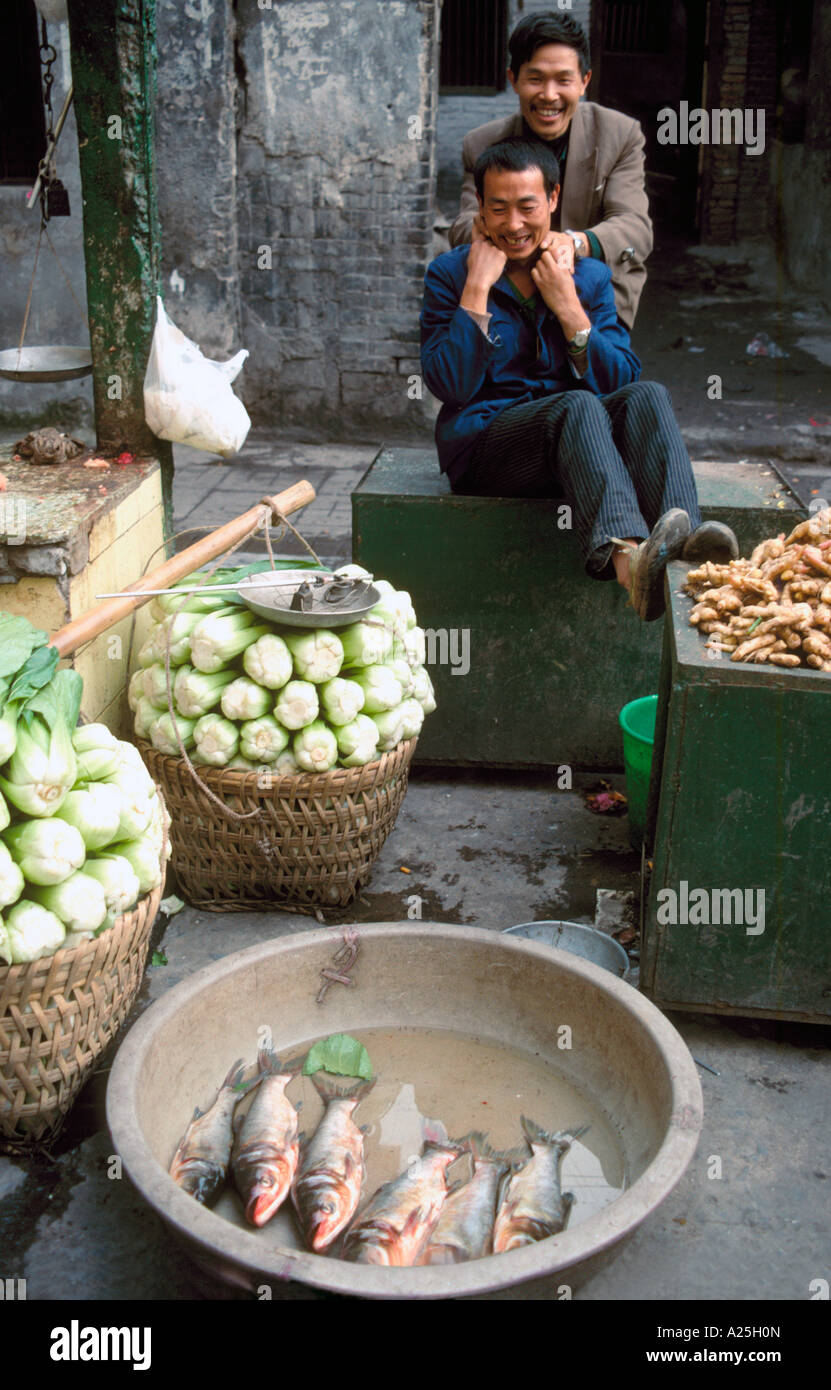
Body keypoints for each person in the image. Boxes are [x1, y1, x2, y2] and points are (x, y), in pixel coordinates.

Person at [421, 139, 737, 622]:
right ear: (480, 211)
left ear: (552, 198)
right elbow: (451, 386)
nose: (514, 224)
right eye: (498, 209)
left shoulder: (586, 275)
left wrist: (569, 307)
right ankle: (631, 567)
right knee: (575, 405)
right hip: (488, 446)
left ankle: (686, 551)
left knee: (647, 394)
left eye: (528, 206)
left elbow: (622, 379)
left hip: (575, 441)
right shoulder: (449, 275)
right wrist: (477, 289)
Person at [448, 11, 652, 329]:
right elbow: (461, 227)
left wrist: (575, 242)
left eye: (563, 79)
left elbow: (635, 227)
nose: (549, 95)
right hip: (510, 298)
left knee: (605, 367)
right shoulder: (481, 143)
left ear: (585, 81)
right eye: (536, 78)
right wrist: (484, 226)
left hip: (593, 301)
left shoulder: (620, 134)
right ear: (513, 79)